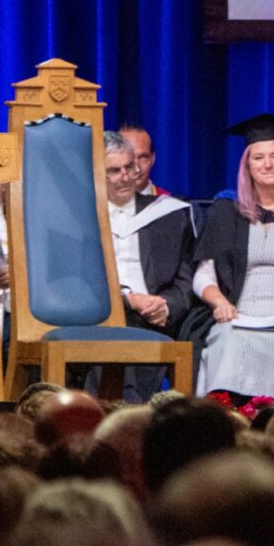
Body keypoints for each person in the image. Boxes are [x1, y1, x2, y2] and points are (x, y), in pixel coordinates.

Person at [190, 114, 274, 398]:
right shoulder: (225, 211)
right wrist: (220, 303)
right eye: (258, 158)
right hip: (237, 313)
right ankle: (228, 416)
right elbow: (204, 273)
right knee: (227, 340)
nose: (268, 164)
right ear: (247, 166)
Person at [102, 131, 196, 400]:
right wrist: (128, 299)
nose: (126, 177)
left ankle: (131, 413)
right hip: (103, 315)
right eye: (114, 171)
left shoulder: (168, 214)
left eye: (129, 167)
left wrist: (166, 305)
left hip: (152, 317)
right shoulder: (84, 218)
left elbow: (186, 278)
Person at [118, 124, 168, 197]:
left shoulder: (171, 203)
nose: (136, 168)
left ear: (153, 158)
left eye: (142, 157)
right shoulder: (101, 202)